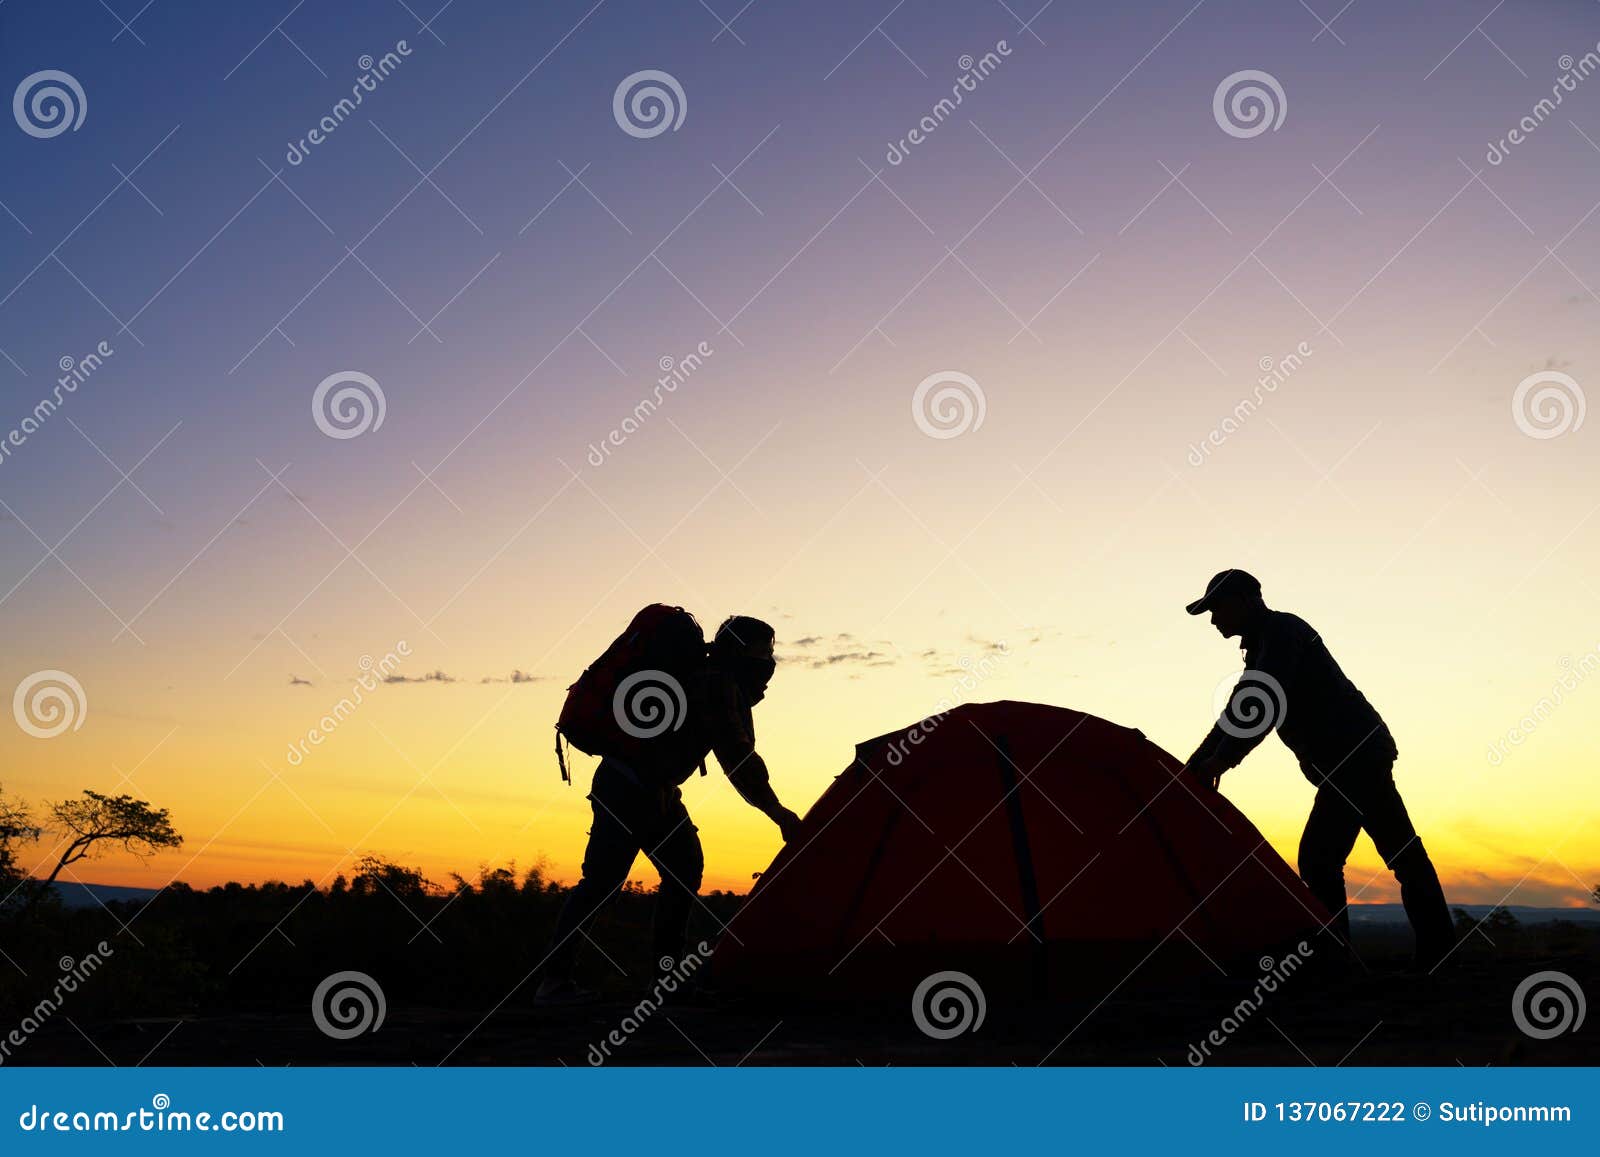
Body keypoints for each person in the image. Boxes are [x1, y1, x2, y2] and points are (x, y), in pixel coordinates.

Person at [1181, 569, 1455, 971]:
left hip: (1353, 757)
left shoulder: (1282, 633)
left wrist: (1220, 761)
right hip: (1356, 755)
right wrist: (1193, 766)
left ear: (1245, 601)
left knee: (1319, 860)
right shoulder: (1265, 645)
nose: (1213, 619)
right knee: (1400, 853)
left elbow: (1263, 702)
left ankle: (1337, 960)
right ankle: (1436, 952)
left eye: (1217, 608)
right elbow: (1241, 709)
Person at [535, 615, 802, 1003]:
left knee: (674, 871)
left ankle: (663, 981)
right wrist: (777, 812)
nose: (769, 663)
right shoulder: (716, 683)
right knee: (607, 883)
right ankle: (559, 982)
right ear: (741, 651)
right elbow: (737, 757)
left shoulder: (712, 677)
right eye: (764, 653)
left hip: (646, 788)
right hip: (632, 789)